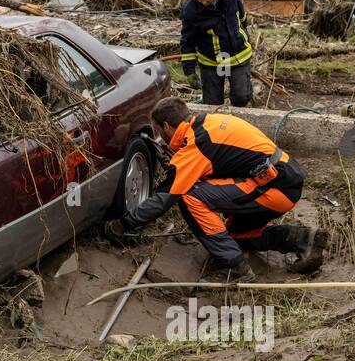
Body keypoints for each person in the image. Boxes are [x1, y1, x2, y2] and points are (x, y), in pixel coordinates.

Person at [123, 97, 327, 280]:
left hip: (273, 187)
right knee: (233, 235)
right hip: (283, 180)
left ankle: (234, 267)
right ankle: (303, 239)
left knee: (189, 197)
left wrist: (124, 224)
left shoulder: (198, 144)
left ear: (166, 126)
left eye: (158, 131)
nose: (160, 137)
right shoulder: (209, 123)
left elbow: (166, 195)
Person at [181, 0, 252, 107]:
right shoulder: (190, 10)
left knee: (241, 99)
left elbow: (242, 17)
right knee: (212, 105)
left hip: (238, 56)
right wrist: (189, 72)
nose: (203, 2)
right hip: (212, 62)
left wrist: (243, 35)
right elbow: (187, 42)